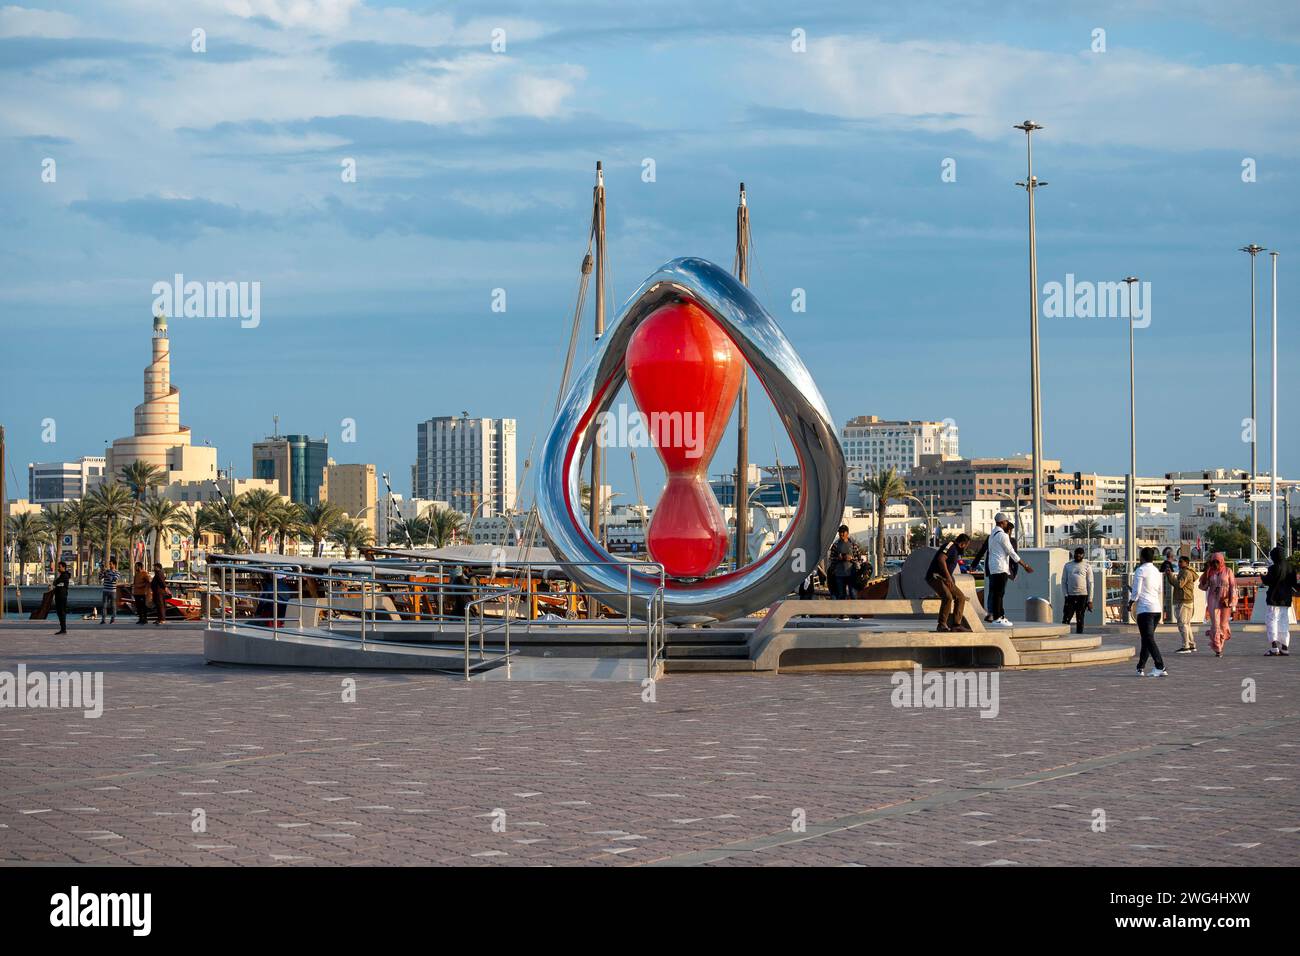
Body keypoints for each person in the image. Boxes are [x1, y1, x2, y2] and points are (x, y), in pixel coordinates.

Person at [985, 513, 1033, 627]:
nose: (1007, 523)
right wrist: (1025, 565)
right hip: (1000, 568)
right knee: (999, 594)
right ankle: (998, 618)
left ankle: (1000, 616)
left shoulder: (992, 534)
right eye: (1006, 522)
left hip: (993, 567)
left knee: (997, 593)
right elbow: (1011, 552)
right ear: (1002, 522)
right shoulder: (1003, 535)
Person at [1130, 547, 1167, 677]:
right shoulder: (1157, 571)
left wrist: (1131, 602)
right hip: (1156, 609)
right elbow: (1159, 590)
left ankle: (1160, 665)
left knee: (1148, 638)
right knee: (1146, 639)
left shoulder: (1140, 570)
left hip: (1145, 610)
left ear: (1142, 557)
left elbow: (1136, 590)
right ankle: (1140, 667)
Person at [926, 533, 971, 632]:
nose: (965, 549)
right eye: (966, 546)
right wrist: (948, 577)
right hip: (935, 576)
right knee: (947, 597)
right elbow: (941, 559)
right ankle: (941, 624)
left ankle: (956, 625)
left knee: (960, 597)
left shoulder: (955, 551)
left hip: (945, 578)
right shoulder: (950, 546)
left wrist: (948, 578)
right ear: (962, 544)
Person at [1198, 552, 1236, 658]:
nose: (1215, 564)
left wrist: (1231, 599)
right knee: (1215, 624)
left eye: (1217, 562)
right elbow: (1203, 586)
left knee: (1223, 625)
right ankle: (1218, 648)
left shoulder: (1228, 571)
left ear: (1221, 561)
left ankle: (1221, 643)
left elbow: (1233, 586)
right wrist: (1207, 571)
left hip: (1225, 600)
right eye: (1213, 562)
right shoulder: (1210, 572)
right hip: (1213, 599)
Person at [1261, 546, 1295, 656]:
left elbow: (1268, 581)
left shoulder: (1273, 568)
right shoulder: (1291, 568)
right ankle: (1285, 647)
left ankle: (1274, 647)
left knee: (1272, 621)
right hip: (1286, 599)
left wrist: (1263, 577)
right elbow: (1293, 583)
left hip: (1274, 599)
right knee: (1284, 622)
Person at [1166, 555, 1198, 654]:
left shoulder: (1186, 572)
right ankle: (1191, 644)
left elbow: (1179, 584)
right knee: (1187, 624)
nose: (1179, 564)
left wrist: (1171, 575)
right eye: (1179, 562)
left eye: (1181, 562)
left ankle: (1186, 646)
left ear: (1186, 563)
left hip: (1183, 601)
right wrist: (1170, 576)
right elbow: (1176, 583)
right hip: (1187, 600)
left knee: (1182, 624)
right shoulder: (1186, 572)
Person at [826, 525, 864, 601]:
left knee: (853, 593)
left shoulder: (853, 545)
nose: (841, 534)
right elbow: (831, 559)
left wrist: (851, 558)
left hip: (851, 574)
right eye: (840, 533)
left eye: (843, 532)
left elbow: (859, 559)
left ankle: (855, 611)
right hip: (839, 574)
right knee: (841, 595)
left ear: (847, 533)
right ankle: (842, 612)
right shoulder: (835, 545)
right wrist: (839, 558)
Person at [1061, 547, 1093, 634]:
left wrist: (1090, 600)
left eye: (1080, 553)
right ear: (1074, 554)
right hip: (1070, 596)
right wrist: (1065, 595)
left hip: (1083, 596)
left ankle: (1079, 635)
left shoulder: (1087, 566)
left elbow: (1090, 583)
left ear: (1083, 555)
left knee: (1080, 617)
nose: (1078, 555)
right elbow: (1063, 581)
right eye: (1077, 553)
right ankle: (1063, 635)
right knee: (1067, 617)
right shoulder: (1067, 565)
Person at [49, 561, 71, 634]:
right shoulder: (61, 575)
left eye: (60, 567)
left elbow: (56, 582)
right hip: (58, 596)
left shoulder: (65, 575)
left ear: (63, 567)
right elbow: (56, 583)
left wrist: (56, 584)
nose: (58, 568)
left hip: (62, 597)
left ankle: (63, 629)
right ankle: (62, 628)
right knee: (59, 612)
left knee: (62, 612)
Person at [99, 559, 121, 625]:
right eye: (109, 564)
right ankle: (103, 620)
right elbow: (100, 578)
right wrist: (102, 571)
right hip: (105, 590)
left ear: (114, 565)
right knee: (104, 606)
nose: (110, 565)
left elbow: (113, 579)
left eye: (111, 564)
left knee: (113, 606)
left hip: (113, 591)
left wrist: (107, 574)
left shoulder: (117, 572)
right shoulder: (106, 571)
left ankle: (113, 619)